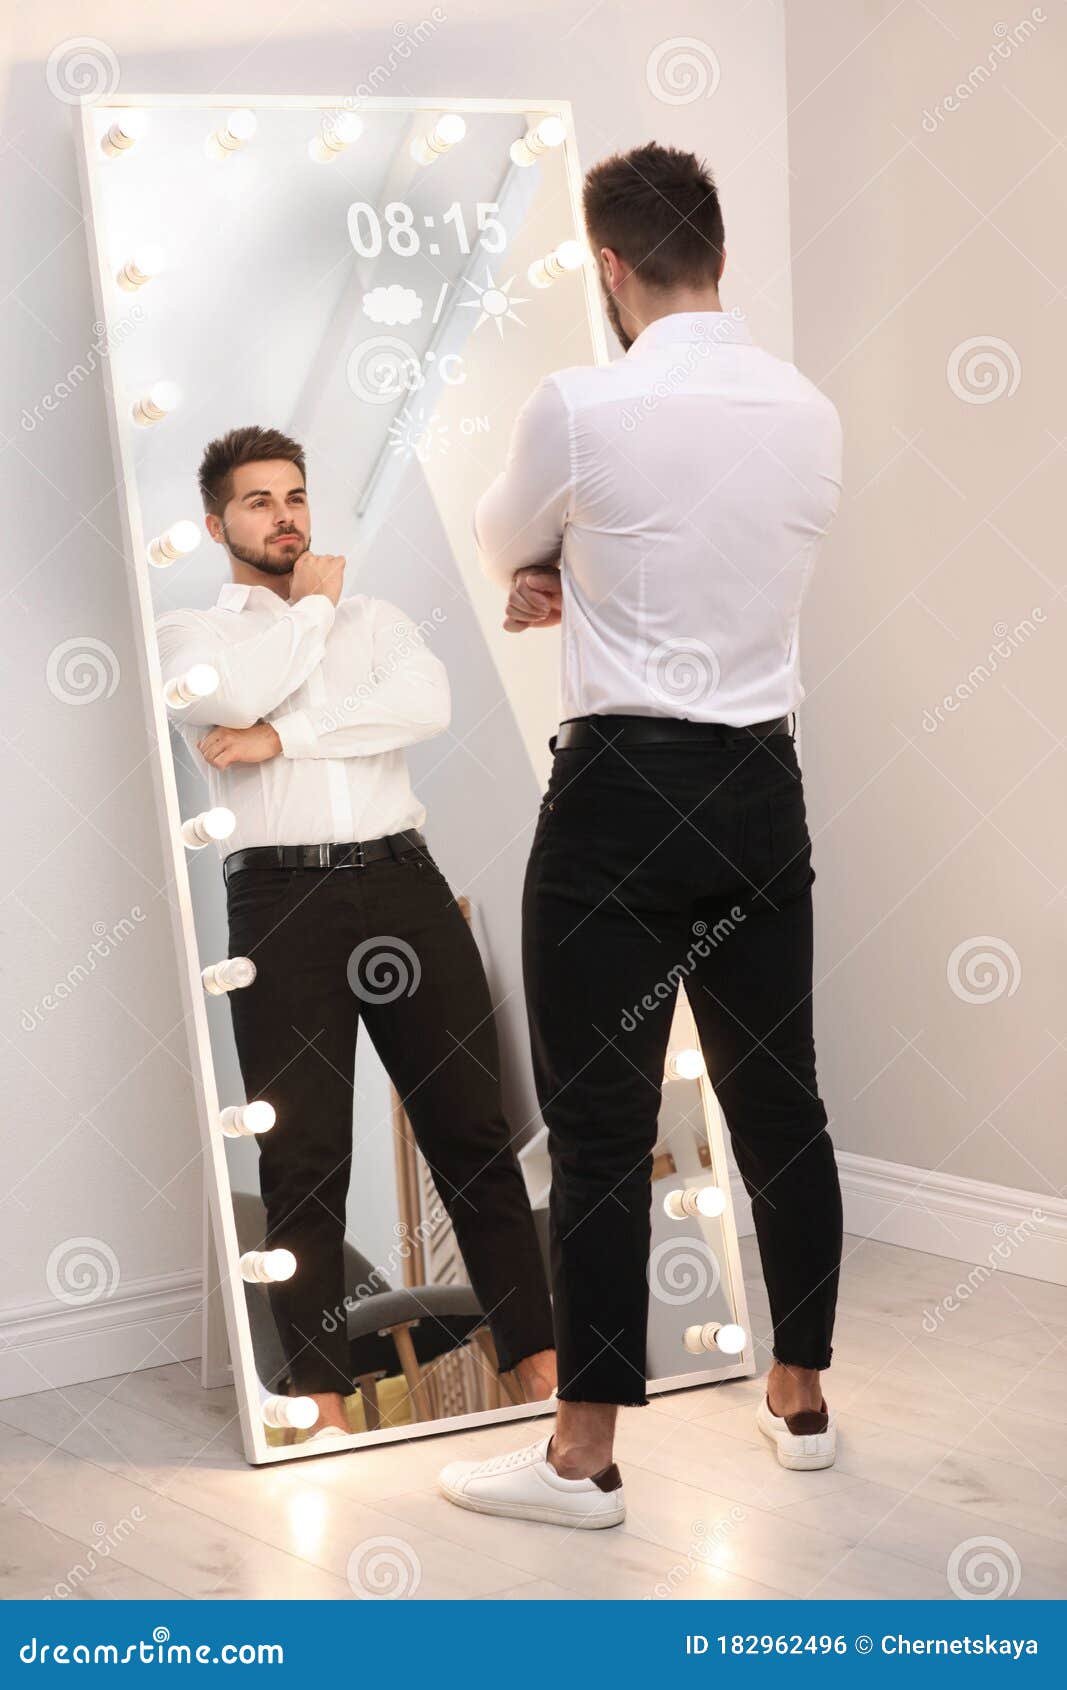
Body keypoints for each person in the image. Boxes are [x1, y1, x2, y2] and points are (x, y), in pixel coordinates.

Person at [439, 142, 843, 1528]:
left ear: (608, 266)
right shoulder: (806, 409)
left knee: (604, 1132)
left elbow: (505, 539)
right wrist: (590, 567)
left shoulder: (580, 405)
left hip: (619, 797)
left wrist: (557, 565)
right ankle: (796, 1398)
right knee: (778, 1106)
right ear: (715, 253)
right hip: (759, 790)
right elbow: (716, 553)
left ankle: (581, 1458)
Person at [156, 425, 556, 1440]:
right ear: (216, 524)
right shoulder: (190, 638)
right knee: (303, 1155)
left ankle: (542, 1374)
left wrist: (285, 736)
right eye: (258, 500)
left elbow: (424, 704)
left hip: (402, 886)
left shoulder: (378, 620)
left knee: (471, 1129)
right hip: (279, 906)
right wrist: (314, 614)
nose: (285, 513)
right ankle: (322, 1412)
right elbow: (234, 696)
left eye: (294, 495)